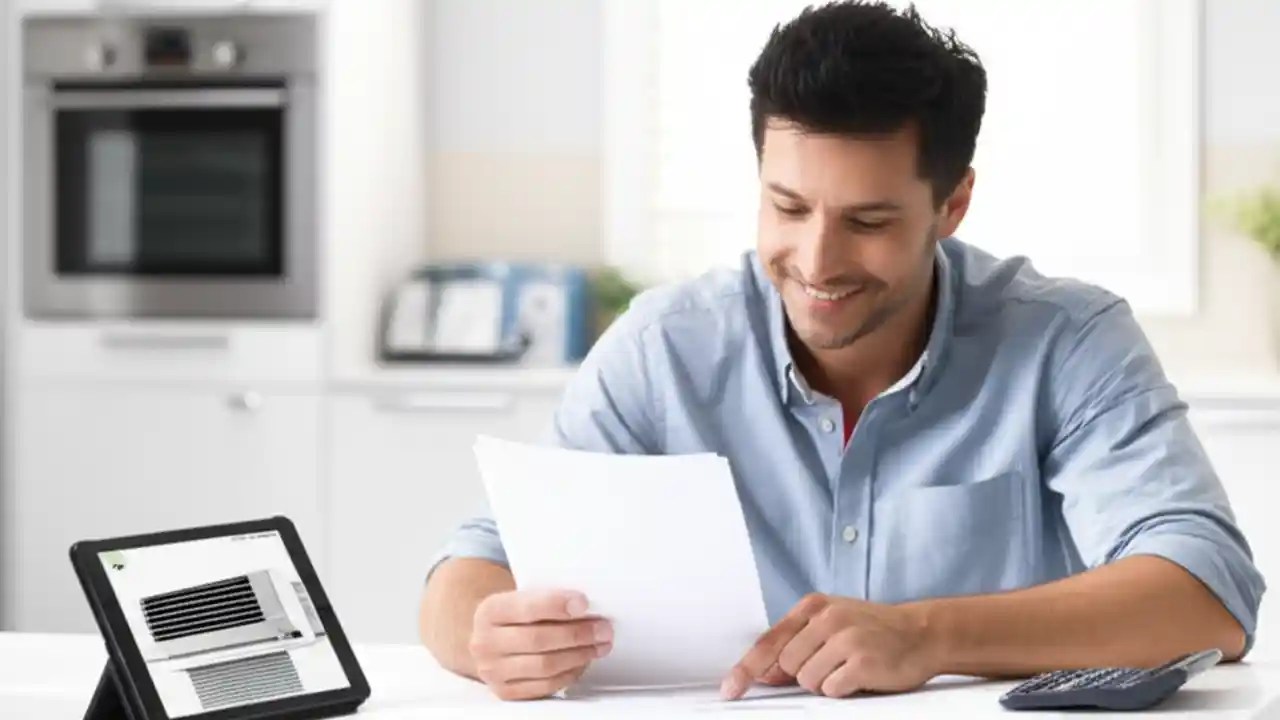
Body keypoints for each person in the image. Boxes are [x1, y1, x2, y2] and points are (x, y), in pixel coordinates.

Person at [418, 1, 1265, 702]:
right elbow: (475, 567)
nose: (817, 263)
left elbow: (1207, 592)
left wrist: (927, 634)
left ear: (953, 204)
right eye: (787, 208)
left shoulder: (1065, 340)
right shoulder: (665, 345)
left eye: (868, 222)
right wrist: (487, 635)